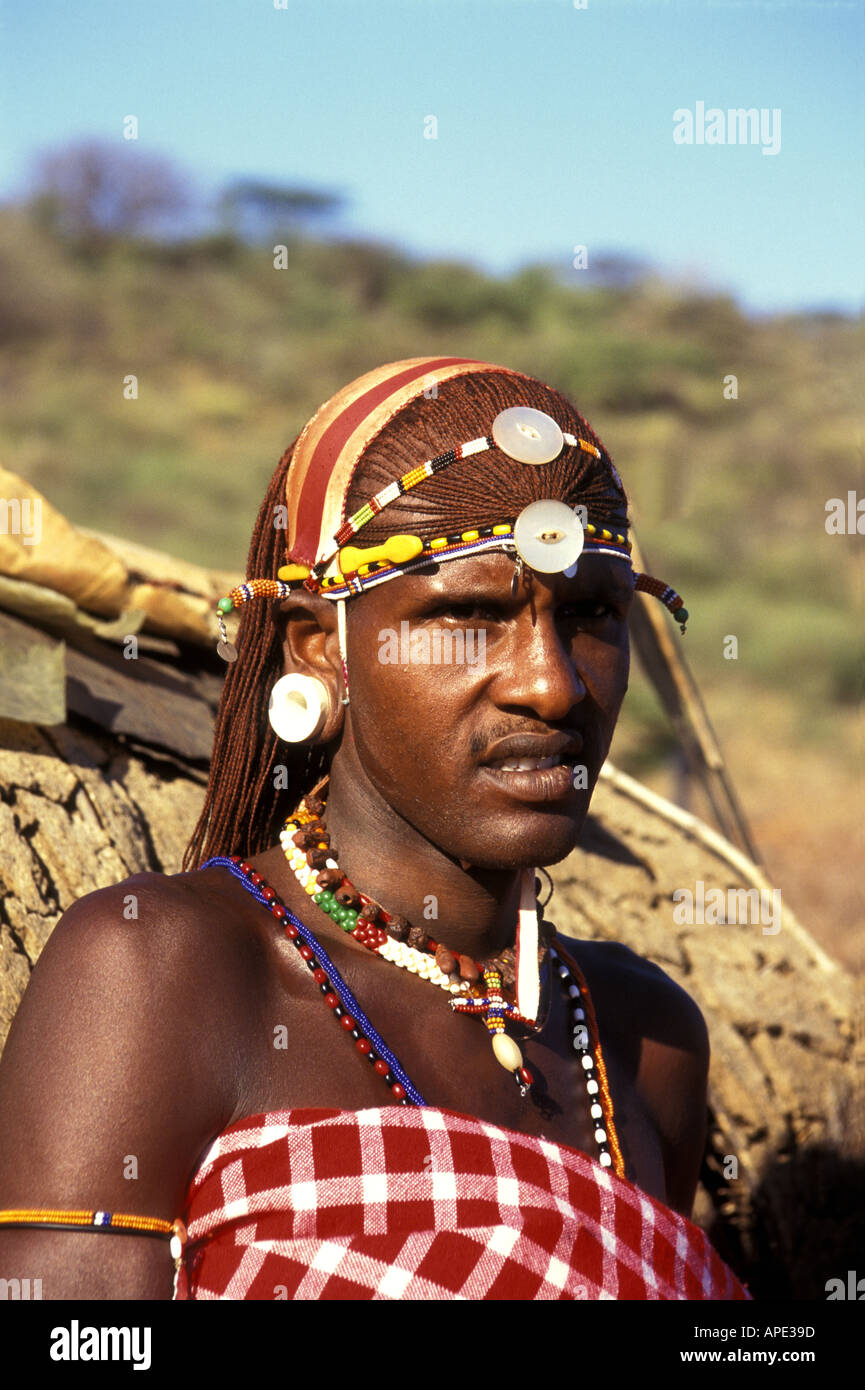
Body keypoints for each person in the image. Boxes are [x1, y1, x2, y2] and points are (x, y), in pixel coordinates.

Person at [0, 356, 749, 1300]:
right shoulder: (165, 970)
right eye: (470, 615)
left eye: (593, 614)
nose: (552, 685)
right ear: (325, 646)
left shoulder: (643, 1040)